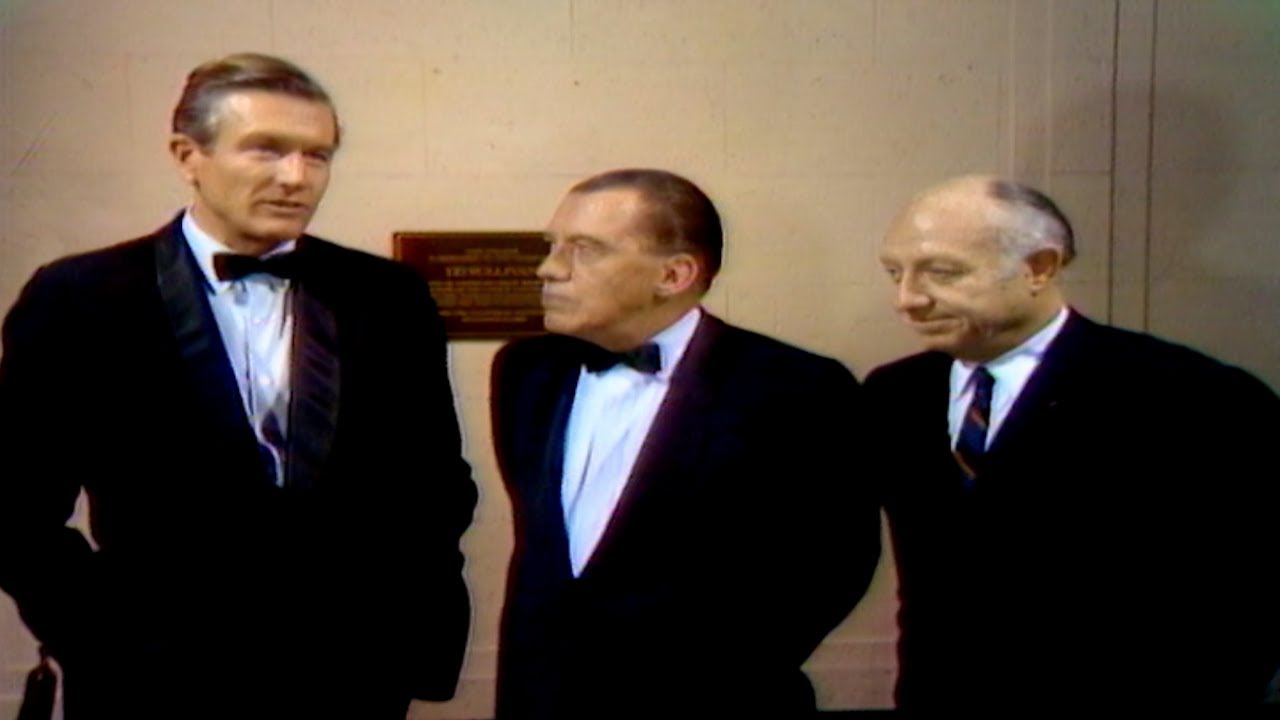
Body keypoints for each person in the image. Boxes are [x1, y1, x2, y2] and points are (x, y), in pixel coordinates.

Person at [0, 53, 476, 720]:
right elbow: (15, 508)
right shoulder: (81, 296)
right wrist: (99, 640)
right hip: (150, 685)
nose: (296, 178)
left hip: (350, 681)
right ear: (187, 154)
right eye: (266, 150)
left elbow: (434, 484)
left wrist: (402, 645)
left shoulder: (388, 297)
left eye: (318, 156)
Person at [866, 174, 1280, 712]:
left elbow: (1256, 593)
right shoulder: (895, 395)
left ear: (1040, 267)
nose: (908, 299)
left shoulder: (1193, 395)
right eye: (895, 273)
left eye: (942, 273)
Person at [489, 168, 880, 719]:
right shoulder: (526, 371)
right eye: (553, 246)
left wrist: (717, 678)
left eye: (585, 250)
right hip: (542, 704)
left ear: (674, 274)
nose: (548, 269)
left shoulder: (796, 387)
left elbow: (835, 566)